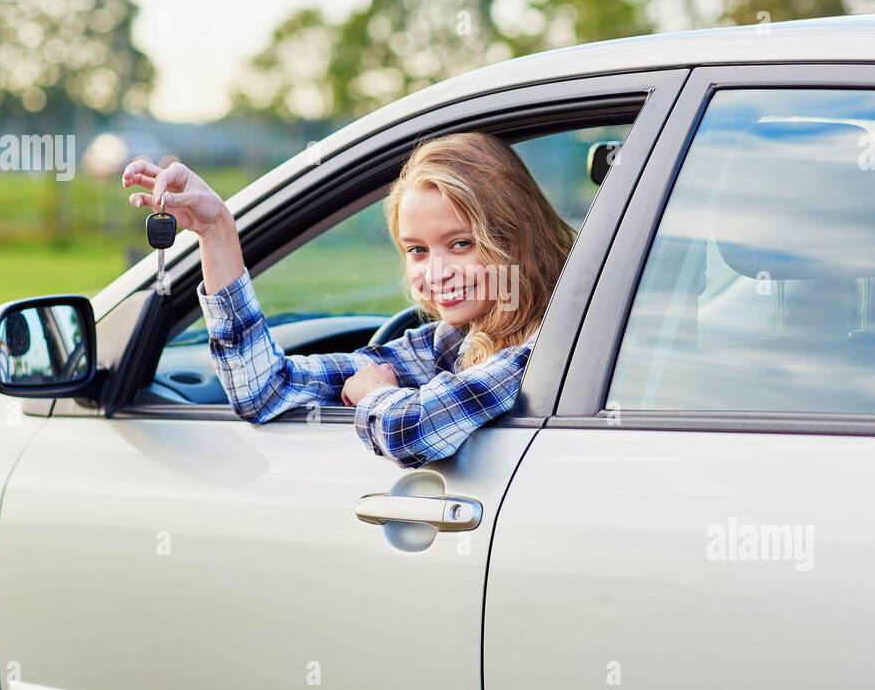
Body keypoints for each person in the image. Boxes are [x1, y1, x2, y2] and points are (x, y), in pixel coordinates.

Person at [122, 132, 574, 468]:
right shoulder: (449, 343)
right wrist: (216, 230)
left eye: (460, 244)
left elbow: (410, 429)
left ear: (515, 240)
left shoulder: (539, 353)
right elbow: (264, 389)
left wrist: (375, 391)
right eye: (417, 250)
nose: (435, 273)